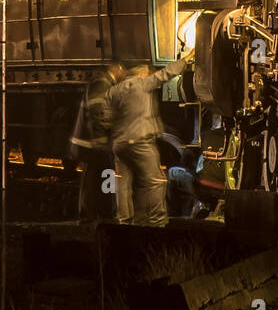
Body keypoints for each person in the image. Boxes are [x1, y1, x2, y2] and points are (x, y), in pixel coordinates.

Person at [106, 50, 195, 226]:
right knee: (156, 181)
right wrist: (186, 58)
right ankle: (158, 221)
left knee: (122, 185)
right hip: (140, 142)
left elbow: (107, 118)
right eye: (147, 71)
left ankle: (124, 222)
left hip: (119, 144)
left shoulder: (113, 91)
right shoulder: (142, 83)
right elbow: (166, 74)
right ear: (141, 72)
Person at [70, 67, 121, 224]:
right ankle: (98, 214)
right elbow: (97, 113)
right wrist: (101, 139)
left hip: (96, 145)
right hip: (95, 146)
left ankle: (99, 212)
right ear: (116, 68)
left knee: (98, 178)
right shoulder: (101, 85)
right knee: (99, 178)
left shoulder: (104, 85)